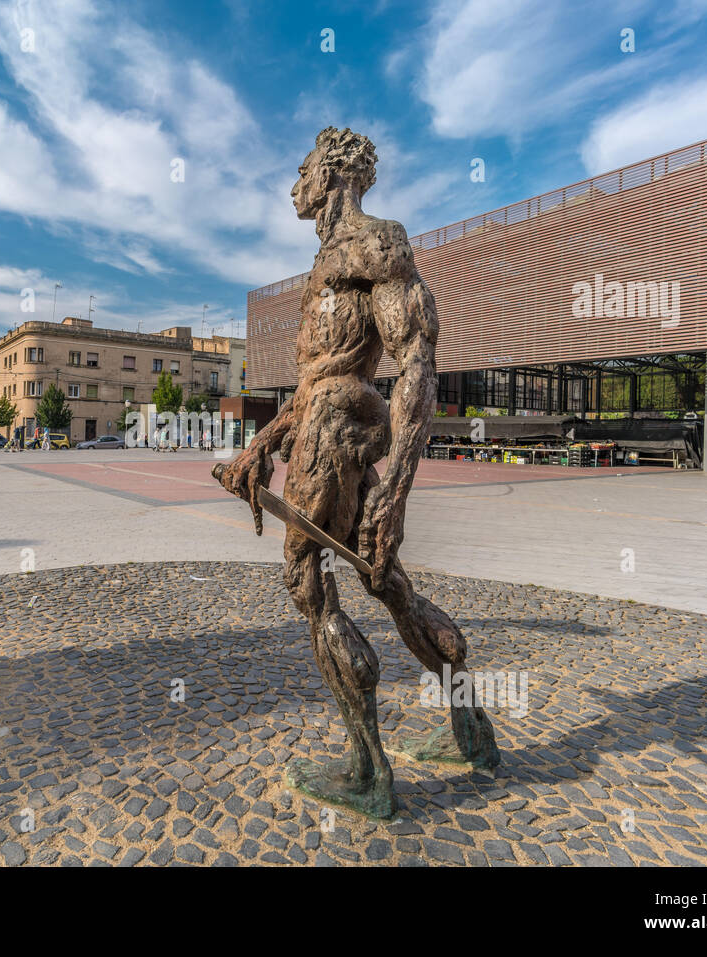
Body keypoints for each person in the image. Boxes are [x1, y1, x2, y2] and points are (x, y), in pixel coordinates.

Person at [215, 127, 499, 818]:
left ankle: (368, 770)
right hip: (328, 423)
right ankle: (472, 730)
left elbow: (418, 366)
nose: (295, 183)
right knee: (387, 580)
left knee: (310, 583)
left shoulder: (376, 242)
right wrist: (263, 442)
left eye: (305, 167)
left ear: (335, 171)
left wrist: (396, 489)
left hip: (340, 432)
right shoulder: (324, 265)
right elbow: (318, 381)